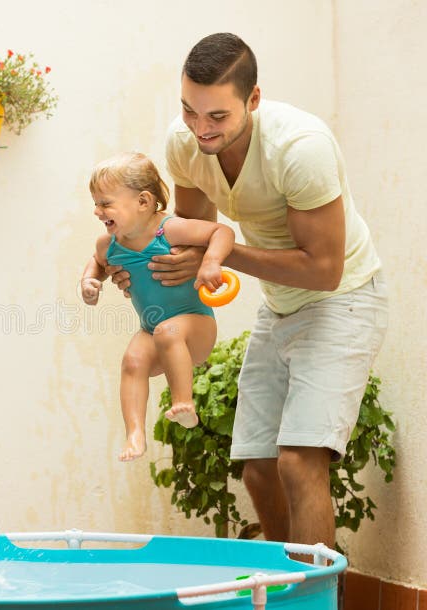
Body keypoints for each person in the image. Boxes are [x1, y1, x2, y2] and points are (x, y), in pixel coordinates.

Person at [110, 33, 387, 551]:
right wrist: (142, 266)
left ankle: (310, 600)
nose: (200, 128)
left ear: (253, 99)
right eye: (190, 111)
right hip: (280, 303)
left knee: (300, 461)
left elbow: (324, 270)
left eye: (218, 116)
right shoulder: (185, 142)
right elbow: (189, 237)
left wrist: (226, 253)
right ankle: (285, 584)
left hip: (343, 299)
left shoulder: (300, 149)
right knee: (258, 466)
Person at [81, 152, 235, 462]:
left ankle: (183, 403)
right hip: (152, 329)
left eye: (106, 203)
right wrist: (89, 282)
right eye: (95, 203)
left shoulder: (170, 231)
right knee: (133, 361)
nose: (98, 211)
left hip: (196, 326)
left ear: (143, 202)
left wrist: (211, 262)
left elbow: (222, 232)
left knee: (168, 331)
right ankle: (135, 434)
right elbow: (97, 262)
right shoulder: (109, 244)